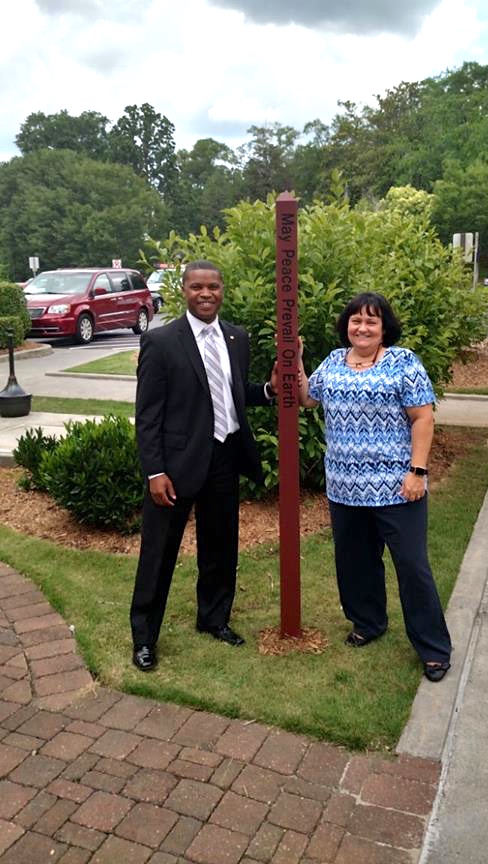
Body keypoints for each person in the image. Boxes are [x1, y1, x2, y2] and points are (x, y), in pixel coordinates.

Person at [130, 260, 277, 671]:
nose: (206, 294)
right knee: (159, 554)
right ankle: (144, 638)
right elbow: (148, 415)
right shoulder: (161, 342)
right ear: (184, 290)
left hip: (224, 457)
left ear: (222, 289)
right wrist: (154, 471)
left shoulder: (237, 337)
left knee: (221, 546)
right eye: (197, 287)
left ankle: (214, 619)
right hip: (175, 467)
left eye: (213, 286)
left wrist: (268, 389)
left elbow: (236, 393)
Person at [298, 291, 451, 682]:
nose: (362, 327)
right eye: (355, 320)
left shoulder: (403, 363)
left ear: (384, 328)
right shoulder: (334, 361)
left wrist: (417, 471)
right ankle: (368, 622)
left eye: (371, 321)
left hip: (397, 487)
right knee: (355, 562)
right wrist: (294, 360)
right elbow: (306, 399)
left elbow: (422, 419)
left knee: (413, 567)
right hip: (345, 487)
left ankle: (433, 647)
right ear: (346, 326)